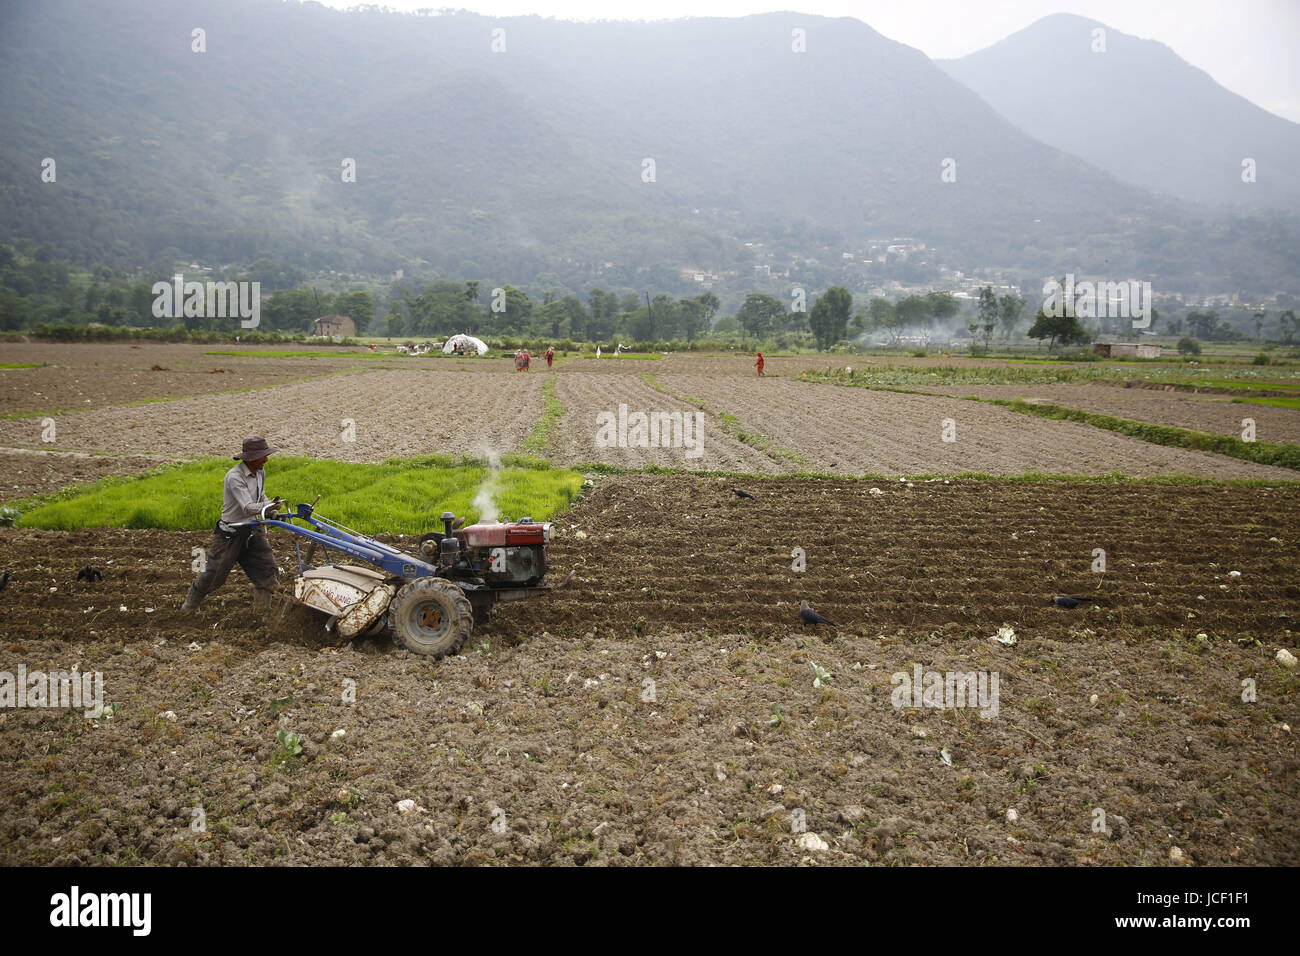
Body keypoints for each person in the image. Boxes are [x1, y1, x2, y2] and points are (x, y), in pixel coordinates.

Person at [180, 436, 283, 613]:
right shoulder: (234, 477)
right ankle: (189, 608)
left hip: (253, 532)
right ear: (250, 458)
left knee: (267, 571)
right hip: (231, 534)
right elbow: (248, 507)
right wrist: (267, 506)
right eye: (262, 456)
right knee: (213, 576)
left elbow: (261, 497)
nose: (266, 459)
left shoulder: (260, 472)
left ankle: (263, 615)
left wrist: (270, 508)